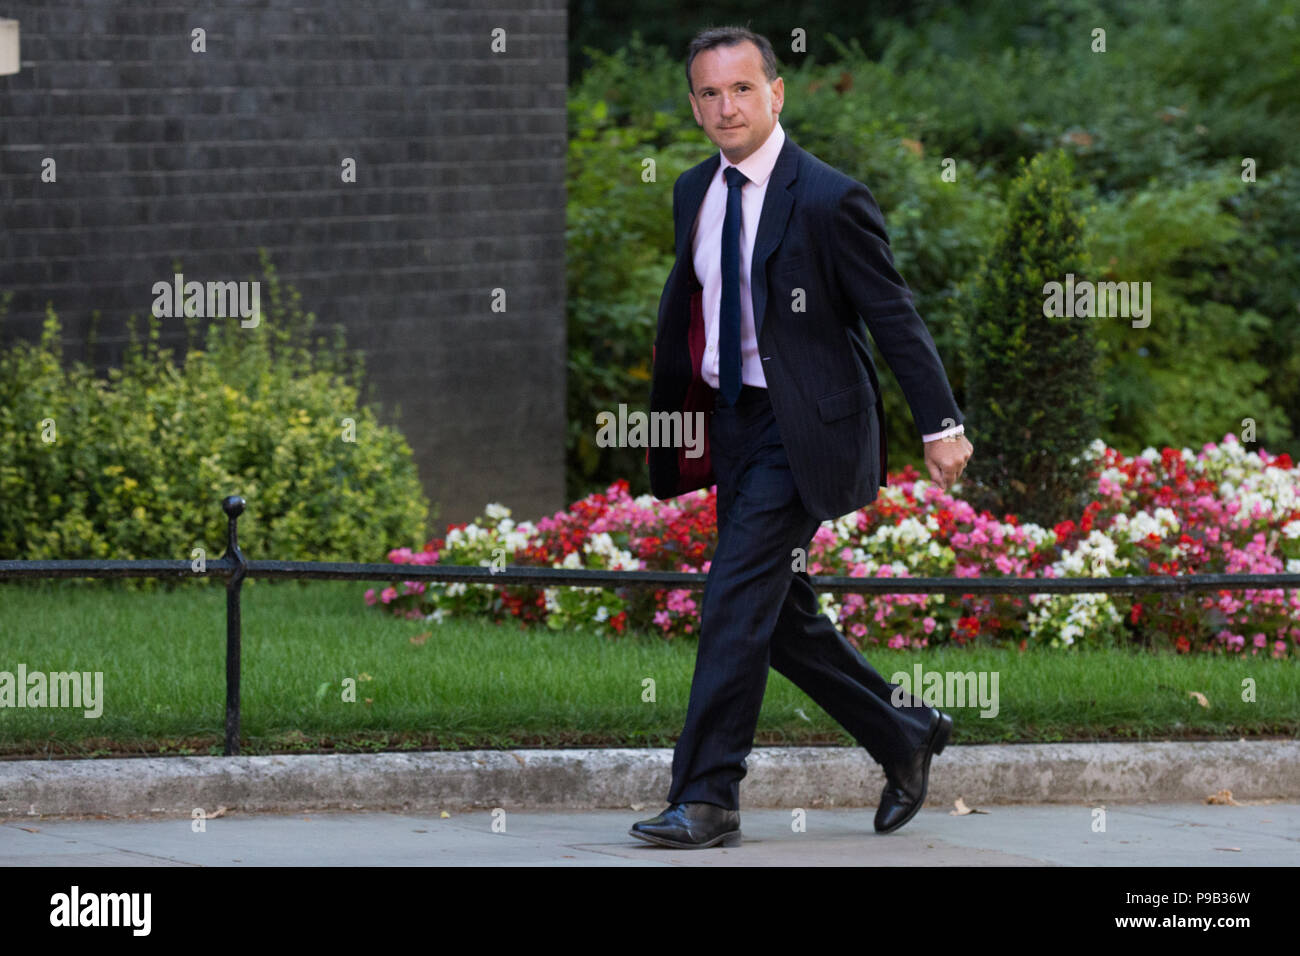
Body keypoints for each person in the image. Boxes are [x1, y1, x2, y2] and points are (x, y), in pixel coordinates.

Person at [631, 26, 974, 849]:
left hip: (807, 430)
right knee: (776, 616)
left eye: (742, 89)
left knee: (733, 599)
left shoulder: (826, 197)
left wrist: (941, 422)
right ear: (694, 104)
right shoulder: (693, 191)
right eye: (710, 94)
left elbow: (892, 314)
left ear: (777, 93)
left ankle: (708, 797)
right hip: (735, 425)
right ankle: (905, 732)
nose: (726, 107)